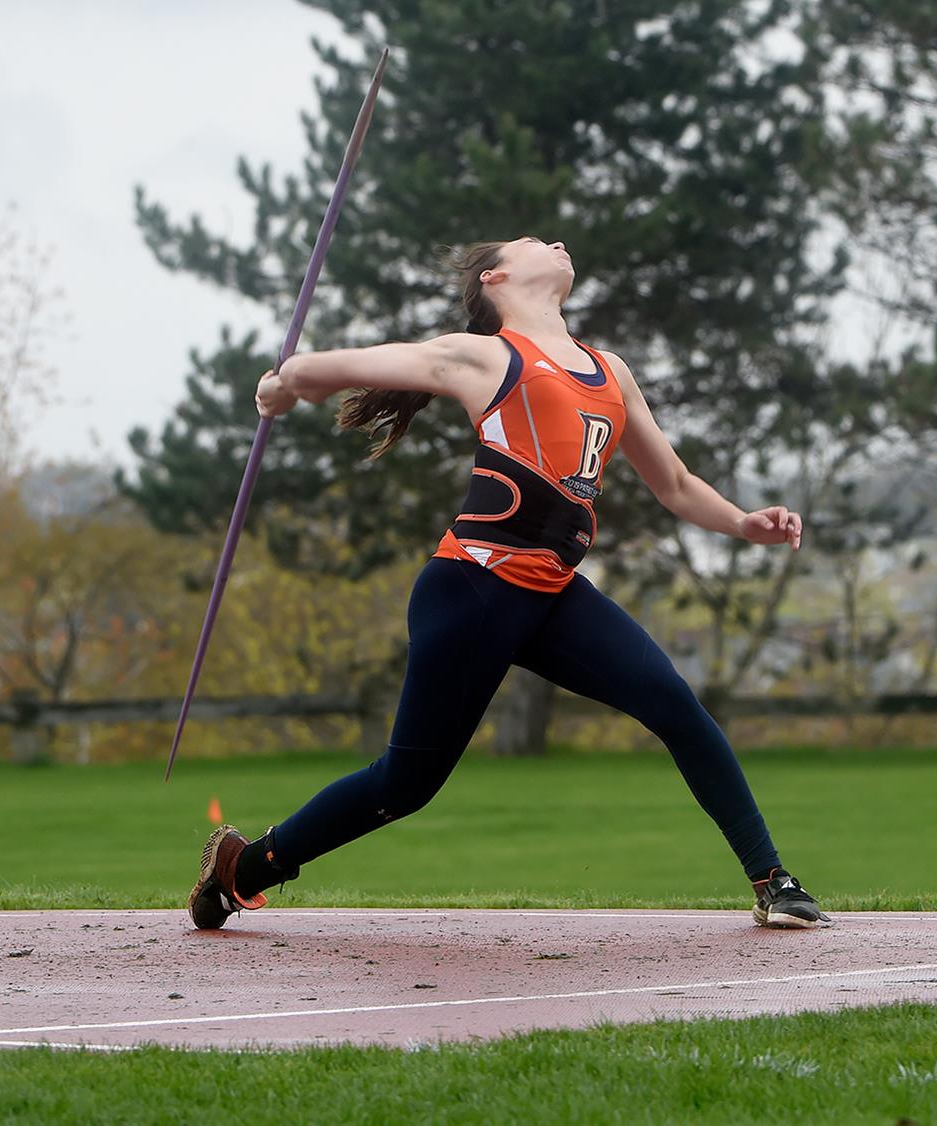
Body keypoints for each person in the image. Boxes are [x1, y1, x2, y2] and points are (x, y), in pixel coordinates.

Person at [189, 236, 830, 930]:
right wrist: (284, 382)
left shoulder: (609, 370)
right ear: (495, 276)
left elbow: (673, 483)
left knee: (676, 706)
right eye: (535, 242)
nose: (557, 242)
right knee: (404, 787)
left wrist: (744, 523)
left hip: (552, 594)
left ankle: (774, 882)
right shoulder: (489, 356)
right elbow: (341, 365)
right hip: (473, 588)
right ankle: (245, 868)